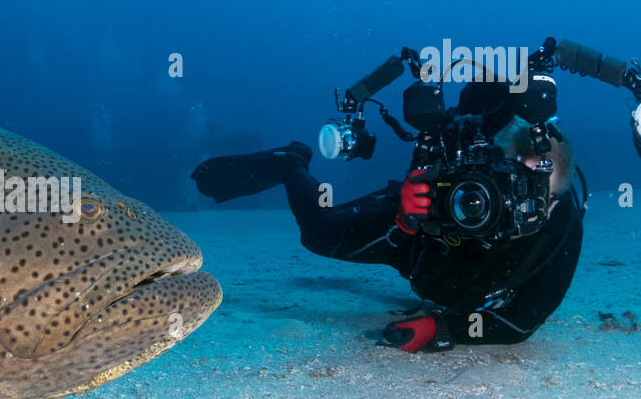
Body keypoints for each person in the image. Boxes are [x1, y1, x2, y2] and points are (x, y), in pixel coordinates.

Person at [191, 80, 585, 352]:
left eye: (537, 197)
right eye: (506, 183)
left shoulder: (562, 229)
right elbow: (404, 236)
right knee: (317, 233)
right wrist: (403, 222)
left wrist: (443, 329)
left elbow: (520, 324)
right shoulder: (451, 187)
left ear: (559, 199)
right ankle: (291, 163)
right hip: (416, 236)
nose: (513, 205)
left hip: (447, 284)